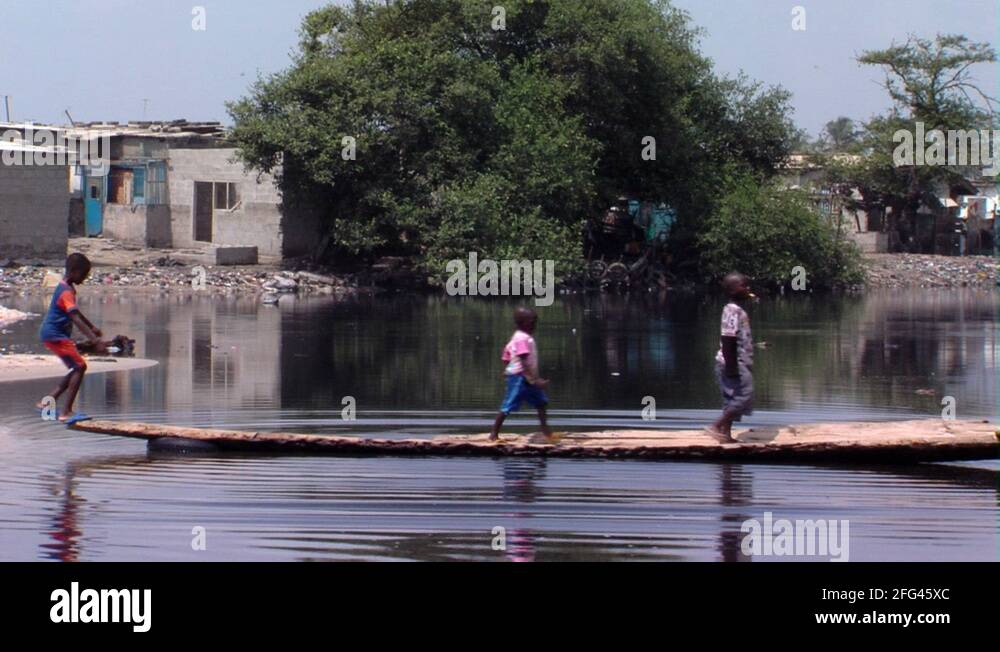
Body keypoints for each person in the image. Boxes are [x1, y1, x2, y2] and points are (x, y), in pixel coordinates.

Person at [35, 253, 106, 423]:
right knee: (80, 367)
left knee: (76, 367)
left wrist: (91, 327)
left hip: (52, 334)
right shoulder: (66, 291)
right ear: (74, 271)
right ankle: (66, 412)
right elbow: (74, 317)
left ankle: (46, 402)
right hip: (55, 334)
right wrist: (95, 340)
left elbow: (75, 312)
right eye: (84, 274)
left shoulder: (66, 287)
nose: (85, 278)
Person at [490, 307, 555, 443]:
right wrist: (536, 380)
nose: (534, 325)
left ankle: (546, 432)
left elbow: (506, 355)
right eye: (532, 322)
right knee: (508, 405)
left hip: (526, 377)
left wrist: (509, 367)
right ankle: (494, 434)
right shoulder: (521, 338)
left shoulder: (518, 337)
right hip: (519, 378)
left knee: (541, 402)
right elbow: (523, 361)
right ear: (524, 323)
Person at [705, 272, 754, 443]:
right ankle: (716, 426)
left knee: (731, 398)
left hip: (734, 362)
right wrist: (732, 367)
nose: (748, 288)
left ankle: (725, 435)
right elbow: (728, 339)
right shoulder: (733, 311)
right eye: (744, 285)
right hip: (733, 362)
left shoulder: (736, 310)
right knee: (745, 396)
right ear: (733, 290)